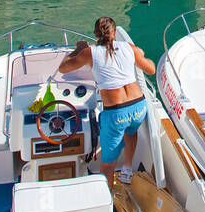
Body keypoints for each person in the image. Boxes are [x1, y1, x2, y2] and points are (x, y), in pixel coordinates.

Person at [58, 17, 155, 185]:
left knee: (108, 164)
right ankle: (127, 168)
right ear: (115, 33)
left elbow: (63, 68)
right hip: (139, 107)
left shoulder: (90, 53)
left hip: (117, 114)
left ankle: (106, 198)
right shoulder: (129, 48)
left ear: (96, 34)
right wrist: (140, 54)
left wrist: (78, 49)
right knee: (131, 131)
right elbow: (151, 69)